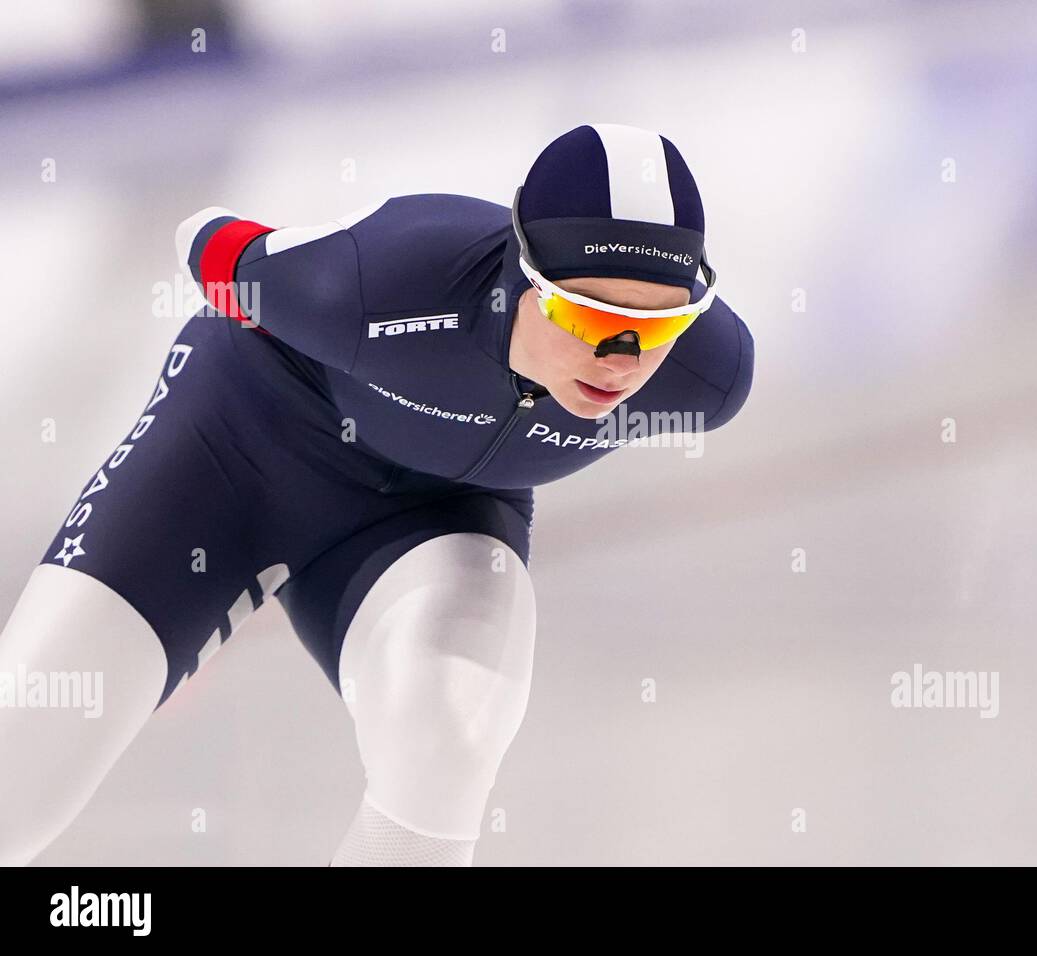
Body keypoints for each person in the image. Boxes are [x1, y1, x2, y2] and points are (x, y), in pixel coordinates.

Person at [0, 123, 754, 867]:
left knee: (452, 726)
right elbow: (203, 238)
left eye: (656, 325)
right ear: (524, 276)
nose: (618, 359)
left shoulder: (708, 375)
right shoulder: (374, 285)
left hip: (436, 515)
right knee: (25, 754)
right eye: (587, 314)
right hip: (236, 448)